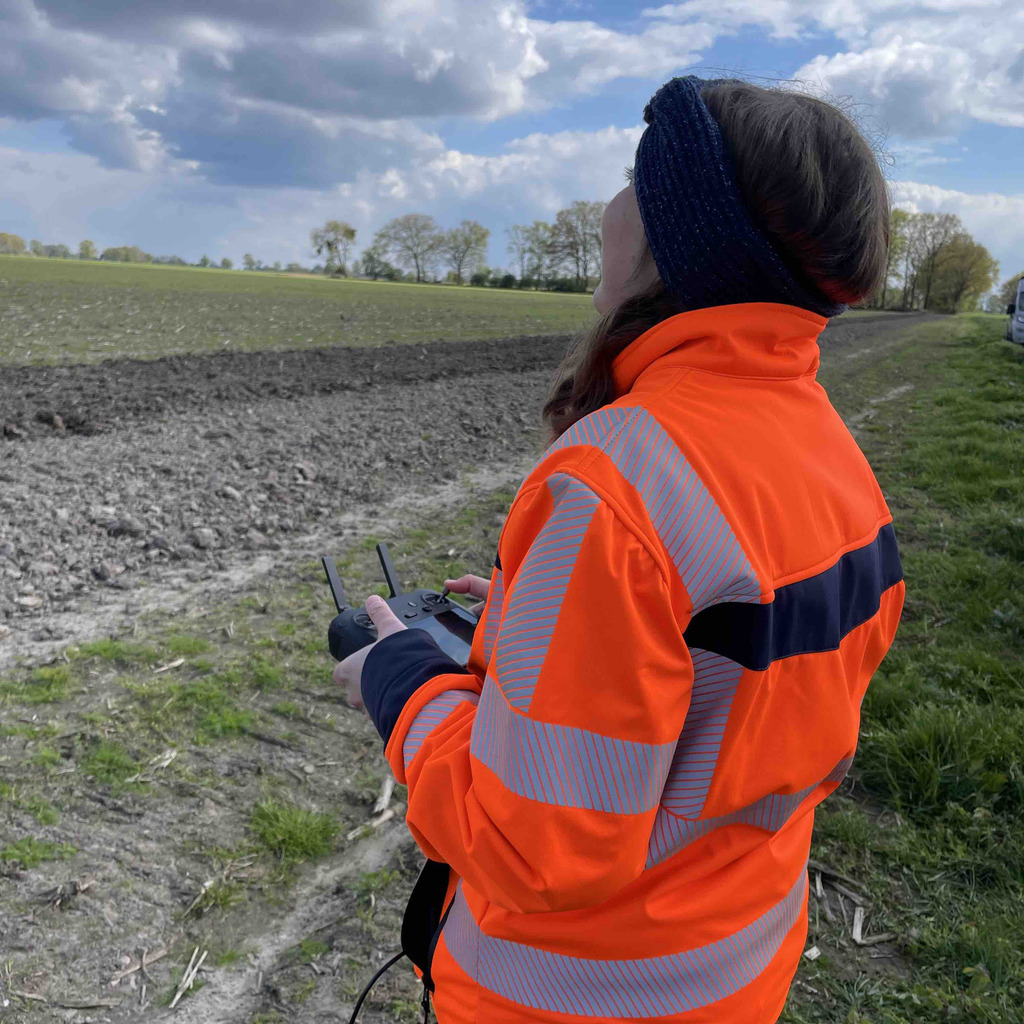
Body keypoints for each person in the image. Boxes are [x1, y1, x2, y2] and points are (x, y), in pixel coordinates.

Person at [334, 76, 905, 1024]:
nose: (606, 210)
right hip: (738, 967)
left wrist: (399, 683)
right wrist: (541, 625)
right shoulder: (827, 449)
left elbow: (530, 846)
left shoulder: (618, 481)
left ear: (673, 236)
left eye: (629, 181)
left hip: (579, 996)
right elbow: (739, 682)